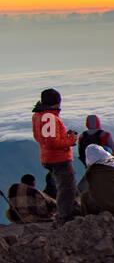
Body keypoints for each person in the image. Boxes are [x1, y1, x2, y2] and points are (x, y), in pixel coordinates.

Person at [31, 88, 80, 224]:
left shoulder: (38, 115)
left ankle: (72, 210)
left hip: (47, 157)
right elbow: (52, 142)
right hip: (59, 158)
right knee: (66, 188)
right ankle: (64, 218)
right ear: (58, 102)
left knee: (66, 186)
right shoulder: (49, 117)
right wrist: (71, 140)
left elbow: (39, 137)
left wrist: (64, 137)